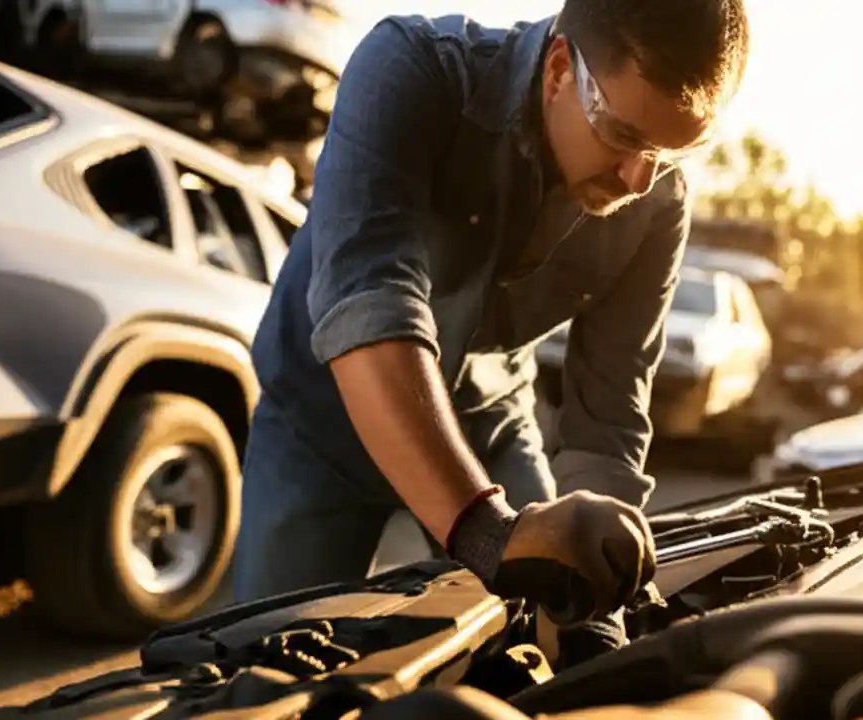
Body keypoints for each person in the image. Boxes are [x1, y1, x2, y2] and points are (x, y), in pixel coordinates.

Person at [234, 0, 750, 661]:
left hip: (490, 422)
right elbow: (371, 302)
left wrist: (599, 600)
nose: (639, 178)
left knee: (560, 651)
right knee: (267, 671)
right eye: (622, 136)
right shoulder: (410, 69)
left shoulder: (657, 200)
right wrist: (486, 534)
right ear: (561, 69)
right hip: (319, 425)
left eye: (671, 152)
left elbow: (610, 413)